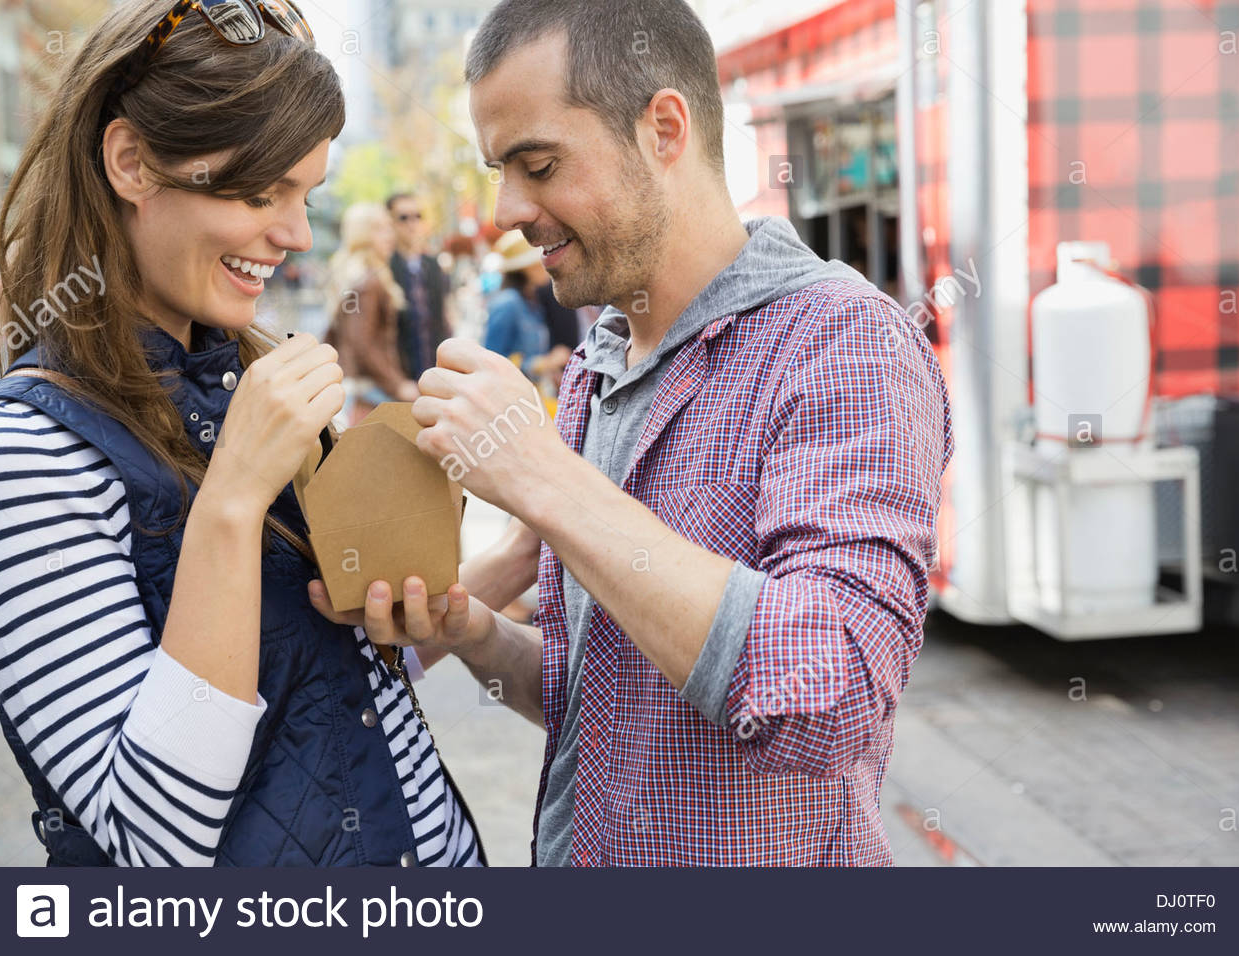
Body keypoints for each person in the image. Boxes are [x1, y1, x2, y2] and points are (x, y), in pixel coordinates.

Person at [311, 0, 953, 867]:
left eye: (538, 164)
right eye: (500, 169)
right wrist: (472, 636)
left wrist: (545, 477)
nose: (507, 208)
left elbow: (829, 700)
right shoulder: (599, 362)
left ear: (663, 128)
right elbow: (603, 703)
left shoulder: (842, 343)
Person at [0, 0, 490, 868]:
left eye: (307, 195)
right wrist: (236, 497)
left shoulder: (248, 374)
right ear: (131, 162)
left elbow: (325, 691)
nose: (292, 235)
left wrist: (450, 579)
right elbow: (151, 839)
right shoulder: (22, 451)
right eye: (259, 193)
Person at [325, 202, 419, 425]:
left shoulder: (355, 275)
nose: (389, 235)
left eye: (389, 227)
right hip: (368, 395)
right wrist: (398, 385)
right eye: (379, 228)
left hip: (355, 389)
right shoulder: (368, 283)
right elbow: (361, 345)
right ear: (362, 234)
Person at [482, 230, 563, 380]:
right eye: (539, 263)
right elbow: (491, 363)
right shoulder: (507, 304)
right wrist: (542, 364)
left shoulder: (532, 302)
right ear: (525, 268)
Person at [387, 192, 450, 378]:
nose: (412, 223)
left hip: (434, 369)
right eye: (403, 217)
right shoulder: (385, 267)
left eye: (417, 216)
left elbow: (443, 317)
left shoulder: (432, 264)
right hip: (401, 377)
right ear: (390, 222)